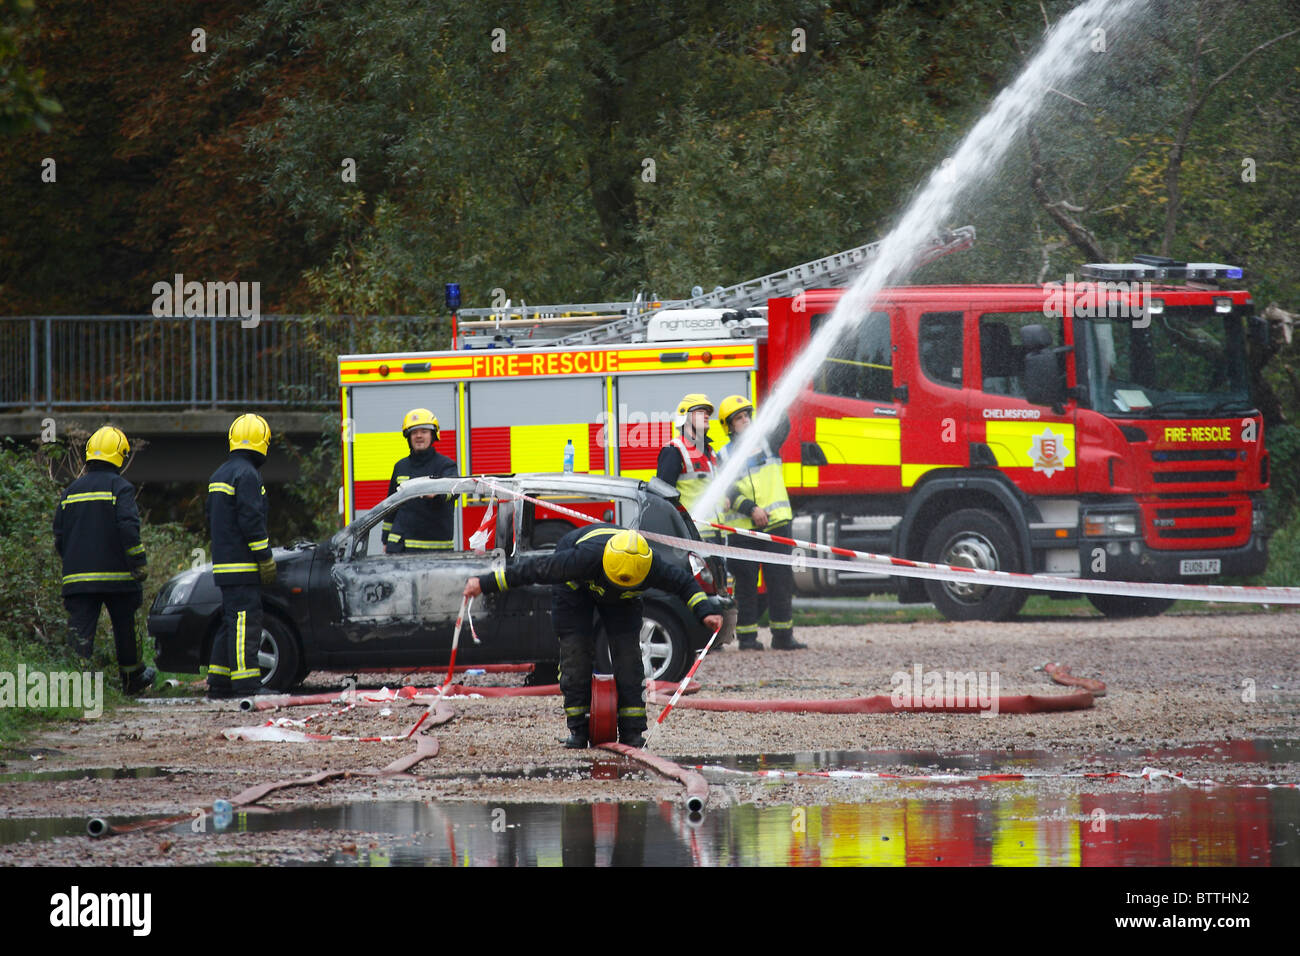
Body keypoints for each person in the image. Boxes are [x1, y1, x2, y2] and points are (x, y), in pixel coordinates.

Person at [463, 525, 724, 748]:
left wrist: (705, 612)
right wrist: (485, 583)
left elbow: (685, 583)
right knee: (575, 654)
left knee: (628, 657)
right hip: (575, 590)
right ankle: (579, 730)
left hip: (623, 601)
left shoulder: (649, 564)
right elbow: (533, 570)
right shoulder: (579, 559)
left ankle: (632, 732)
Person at [53, 426, 155, 694]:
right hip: (118, 579)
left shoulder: (70, 491)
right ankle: (132, 682)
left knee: (80, 634)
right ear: (120, 456)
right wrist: (138, 562)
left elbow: (59, 535)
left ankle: (76, 690)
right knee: (125, 630)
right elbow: (128, 526)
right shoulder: (120, 487)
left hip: (78, 579)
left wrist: (74, 563)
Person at [717, 395, 806, 651]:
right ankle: (747, 639)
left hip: (776, 523)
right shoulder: (723, 456)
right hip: (743, 528)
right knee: (745, 585)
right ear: (728, 426)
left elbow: (783, 427)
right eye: (739, 418)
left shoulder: (767, 442)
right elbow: (726, 491)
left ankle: (783, 637)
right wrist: (750, 508)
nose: (745, 421)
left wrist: (778, 401)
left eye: (747, 416)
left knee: (780, 581)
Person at [205, 413, 276, 699]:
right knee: (246, 622)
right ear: (263, 442)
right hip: (244, 565)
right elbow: (251, 519)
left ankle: (219, 682)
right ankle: (248, 684)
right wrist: (265, 557)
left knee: (229, 622)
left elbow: (211, 517)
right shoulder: (248, 475)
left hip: (224, 564)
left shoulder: (219, 474)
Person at [382, 408, 459, 553]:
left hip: (433, 551)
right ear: (408, 436)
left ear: (433, 435)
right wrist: (385, 540)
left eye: (424, 431)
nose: (418, 436)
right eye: (414, 432)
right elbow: (390, 507)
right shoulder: (400, 467)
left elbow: (454, 490)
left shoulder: (445, 465)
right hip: (399, 547)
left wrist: (437, 493)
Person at [656, 393, 721, 540]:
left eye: (707, 413)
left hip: (717, 534)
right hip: (692, 536)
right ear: (685, 418)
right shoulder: (674, 451)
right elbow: (663, 499)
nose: (706, 416)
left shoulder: (710, 452)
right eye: (700, 412)